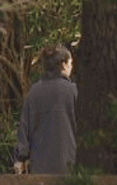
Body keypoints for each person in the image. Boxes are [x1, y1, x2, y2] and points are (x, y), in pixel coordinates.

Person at [13, 44, 77, 176]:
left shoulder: (34, 92)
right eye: (70, 63)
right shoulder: (72, 91)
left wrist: (21, 157)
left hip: (40, 166)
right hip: (69, 162)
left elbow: (25, 128)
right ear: (64, 65)